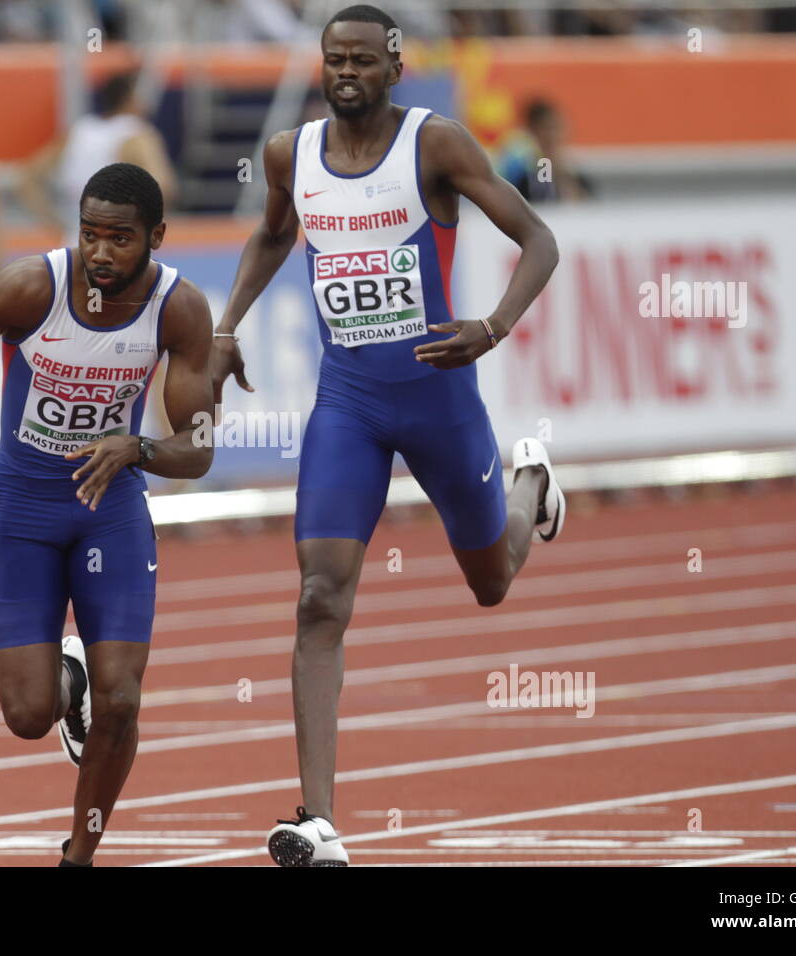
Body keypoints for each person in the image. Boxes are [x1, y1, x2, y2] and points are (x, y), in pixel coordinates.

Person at [210, 4, 565, 866]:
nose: (346, 73)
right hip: (351, 405)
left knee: (490, 581)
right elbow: (270, 234)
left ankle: (532, 486)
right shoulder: (290, 153)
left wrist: (492, 325)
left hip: (441, 395)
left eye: (363, 60)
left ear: (395, 68)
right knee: (318, 596)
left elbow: (539, 240)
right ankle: (319, 820)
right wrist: (225, 328)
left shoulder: (436, 145)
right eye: (335, 58)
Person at [0, 163, 214, 867]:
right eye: (90, 235)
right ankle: (63, 680)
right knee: (26, 716)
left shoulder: (179, 310)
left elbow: (197, 451)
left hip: (111, 512)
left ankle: (80, 855)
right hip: (26, 508)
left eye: (121, 239)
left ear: (157, 238)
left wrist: (137, 446)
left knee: (124, 701)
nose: (101, 253)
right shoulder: (34, 286)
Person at [21, 72, 177, 243]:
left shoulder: (80, 131)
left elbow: (28, 178)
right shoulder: (137, 135)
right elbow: (164, 187)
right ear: (131, 99)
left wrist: (53, 221)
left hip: (77, 237)